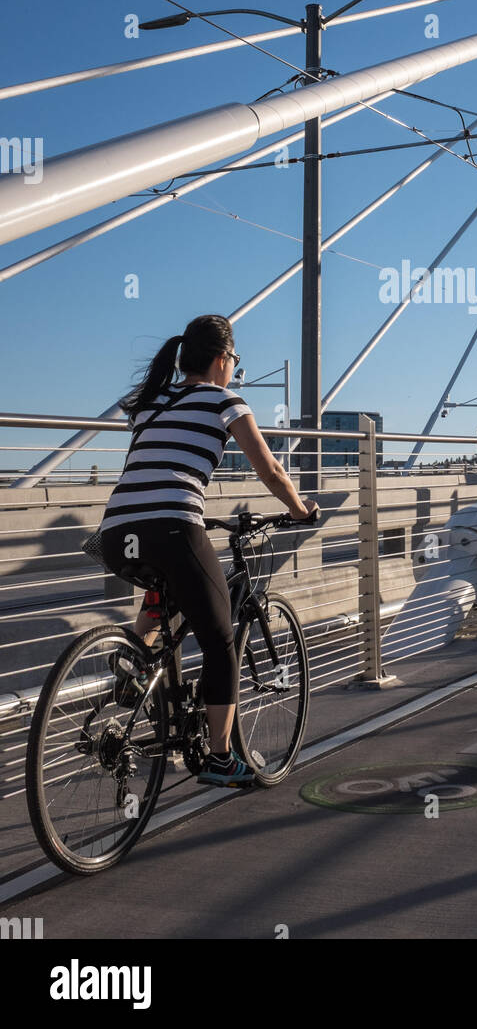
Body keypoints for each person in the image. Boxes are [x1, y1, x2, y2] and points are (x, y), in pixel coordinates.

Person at [99, 314, 316, 787]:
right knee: (219, 640)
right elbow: (271, 471)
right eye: (234, 361)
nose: (234, 370)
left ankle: (133, 668)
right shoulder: (224, 400)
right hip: (173, 526)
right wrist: (300, 509)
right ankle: (219, 758)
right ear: (222, 359)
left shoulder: (149, 403)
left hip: (116, 533)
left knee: (165, 592)